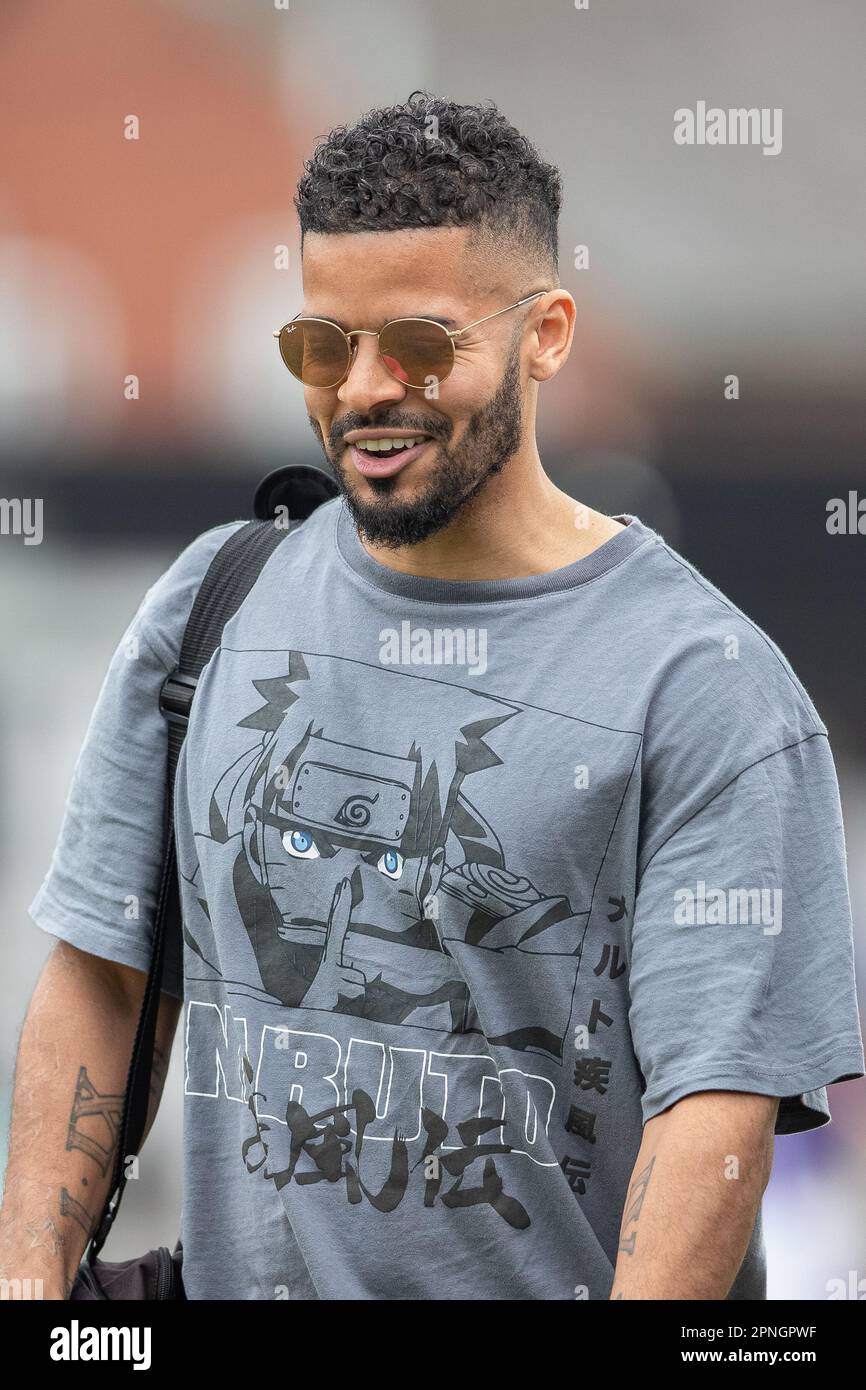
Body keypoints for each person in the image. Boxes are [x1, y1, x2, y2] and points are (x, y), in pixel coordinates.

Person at [2, 93, 862, 1301]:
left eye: (417, 344)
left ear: (546, 333)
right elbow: (102, 974)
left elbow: (709, 1121)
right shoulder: (213, 604)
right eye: (321, 345)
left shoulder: (703, 692)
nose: (362, 390)